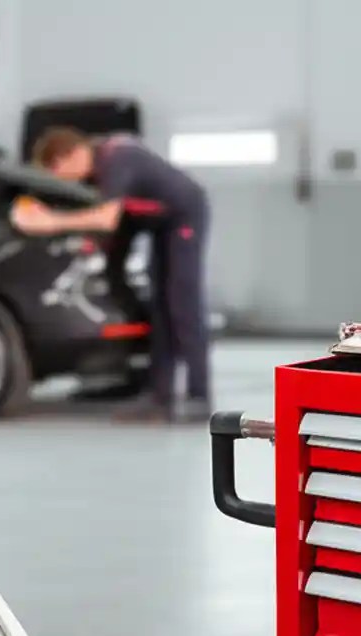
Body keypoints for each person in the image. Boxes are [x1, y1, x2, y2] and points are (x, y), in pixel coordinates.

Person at [13, 127, 212, 423]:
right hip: (159, 227)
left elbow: (107, 219)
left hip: (184, 216)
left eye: (58, 172)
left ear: (72, 155)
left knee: (183, 305)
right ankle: (160, 396)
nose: (64, 180)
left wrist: (51, 222)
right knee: (159, 308)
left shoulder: (117, 158)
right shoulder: (99, 165)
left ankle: (200, 397)